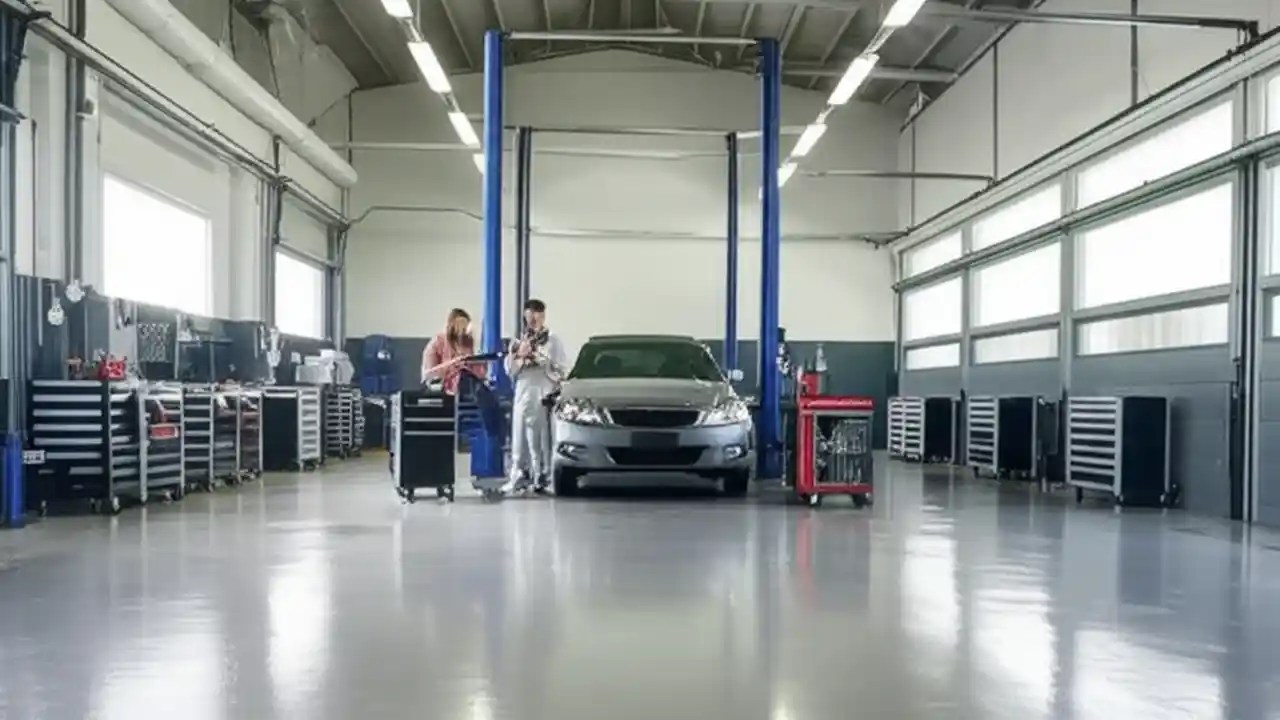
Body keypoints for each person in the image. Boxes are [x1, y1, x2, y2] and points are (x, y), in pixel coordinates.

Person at [504, 298, 567, 493]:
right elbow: (510, 369)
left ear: (543, 316)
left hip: (543, 390)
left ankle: (543, 475)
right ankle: (519, 474)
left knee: (541, 435)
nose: (533, 318)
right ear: (525, 316)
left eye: (537, 314)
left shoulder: (553, 340)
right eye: (530, 314)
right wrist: (521, 357)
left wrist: (544, 362)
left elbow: (563, 368)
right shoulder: (518, 341)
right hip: (523, 390)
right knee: (520, 432)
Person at [421, 308, 486, 395]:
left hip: (467, 393)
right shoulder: (438, 342)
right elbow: (427, 375)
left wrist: (477, 362)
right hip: (441, 393)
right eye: (460, 326)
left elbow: (480, 375)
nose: (462, 331)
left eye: (465, 328)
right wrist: (454, 363)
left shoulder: (468, 342)